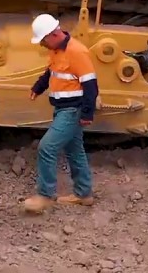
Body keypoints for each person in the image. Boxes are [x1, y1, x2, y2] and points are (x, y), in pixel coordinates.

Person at [21, 13, 97, 214]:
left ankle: (45, 196)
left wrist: (87, 114)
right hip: (62, 108)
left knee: (46, 148)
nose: (42, 45)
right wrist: (38, 87)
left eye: (43, 40)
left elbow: (91, 86)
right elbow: (52, 72)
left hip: (72, 110)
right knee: (75, 150)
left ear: (53, 35)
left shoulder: (77, 52)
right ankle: (84, 194)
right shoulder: (56, 51)